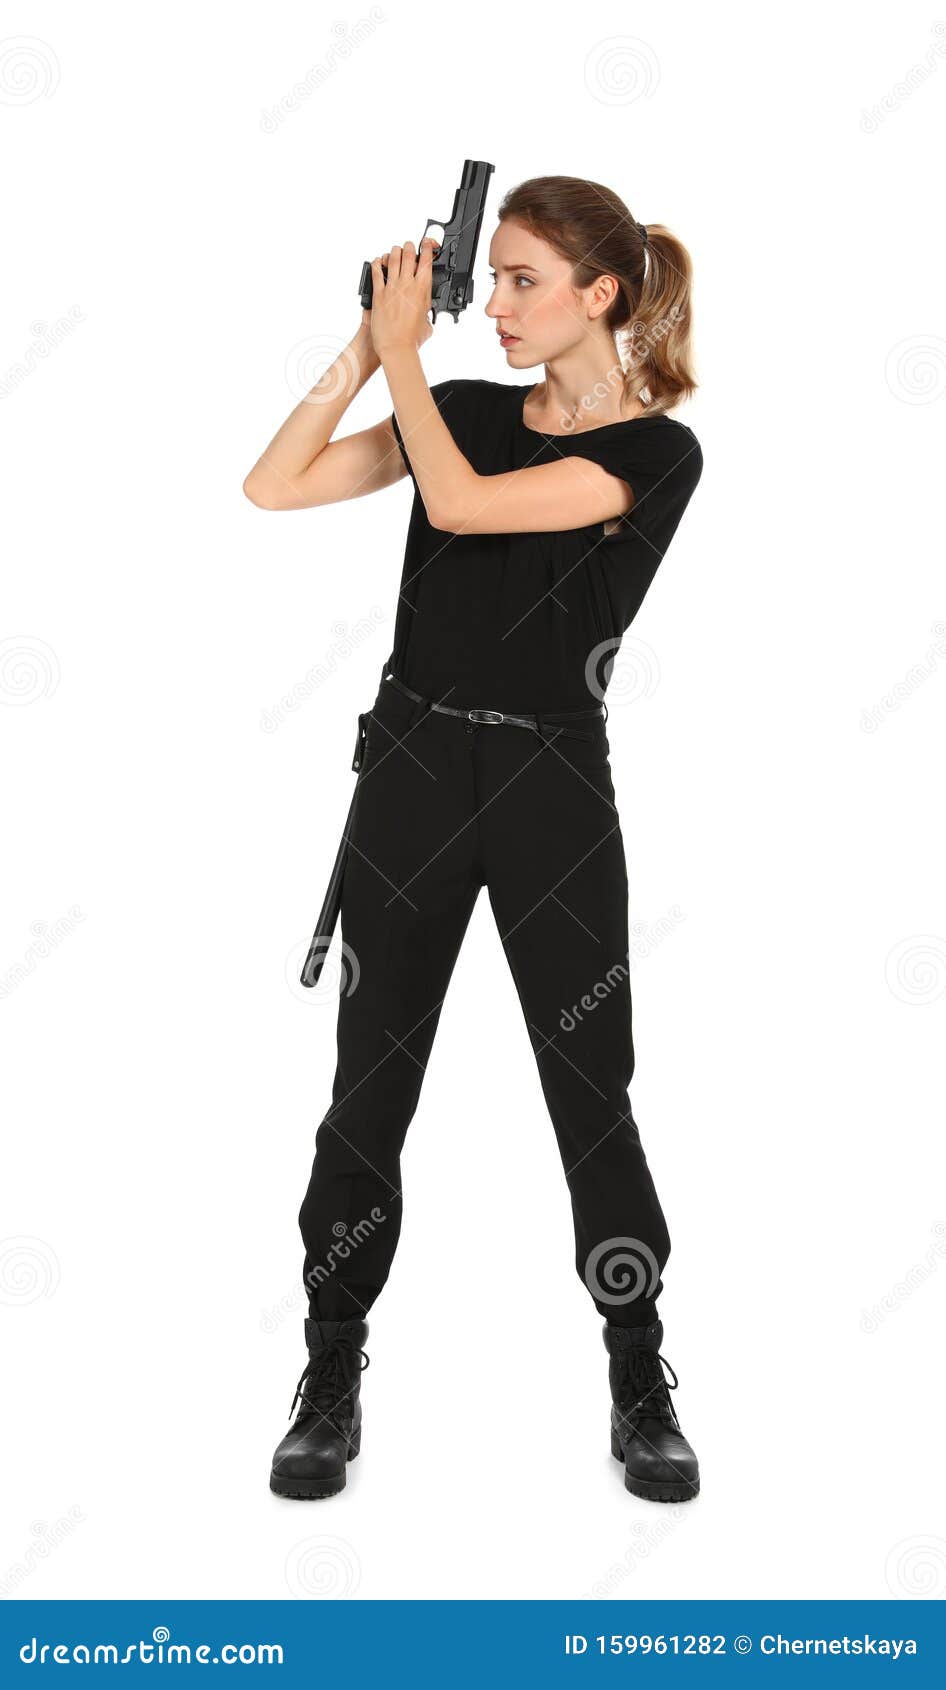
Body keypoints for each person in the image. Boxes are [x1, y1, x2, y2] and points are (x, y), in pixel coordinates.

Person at [243, 176, 705, 1505]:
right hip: (412, 765)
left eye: (519, 281)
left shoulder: (655, 453)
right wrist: (366, 342)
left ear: (597, 295)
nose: (492, 307)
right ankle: (331, 1366)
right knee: (367, 1082)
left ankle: (638, 1364)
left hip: (551, 774)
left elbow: (460, 509)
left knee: (587, 1076)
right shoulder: (461, 412)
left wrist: (402, 358)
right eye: (482, 280)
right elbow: (275, 485)